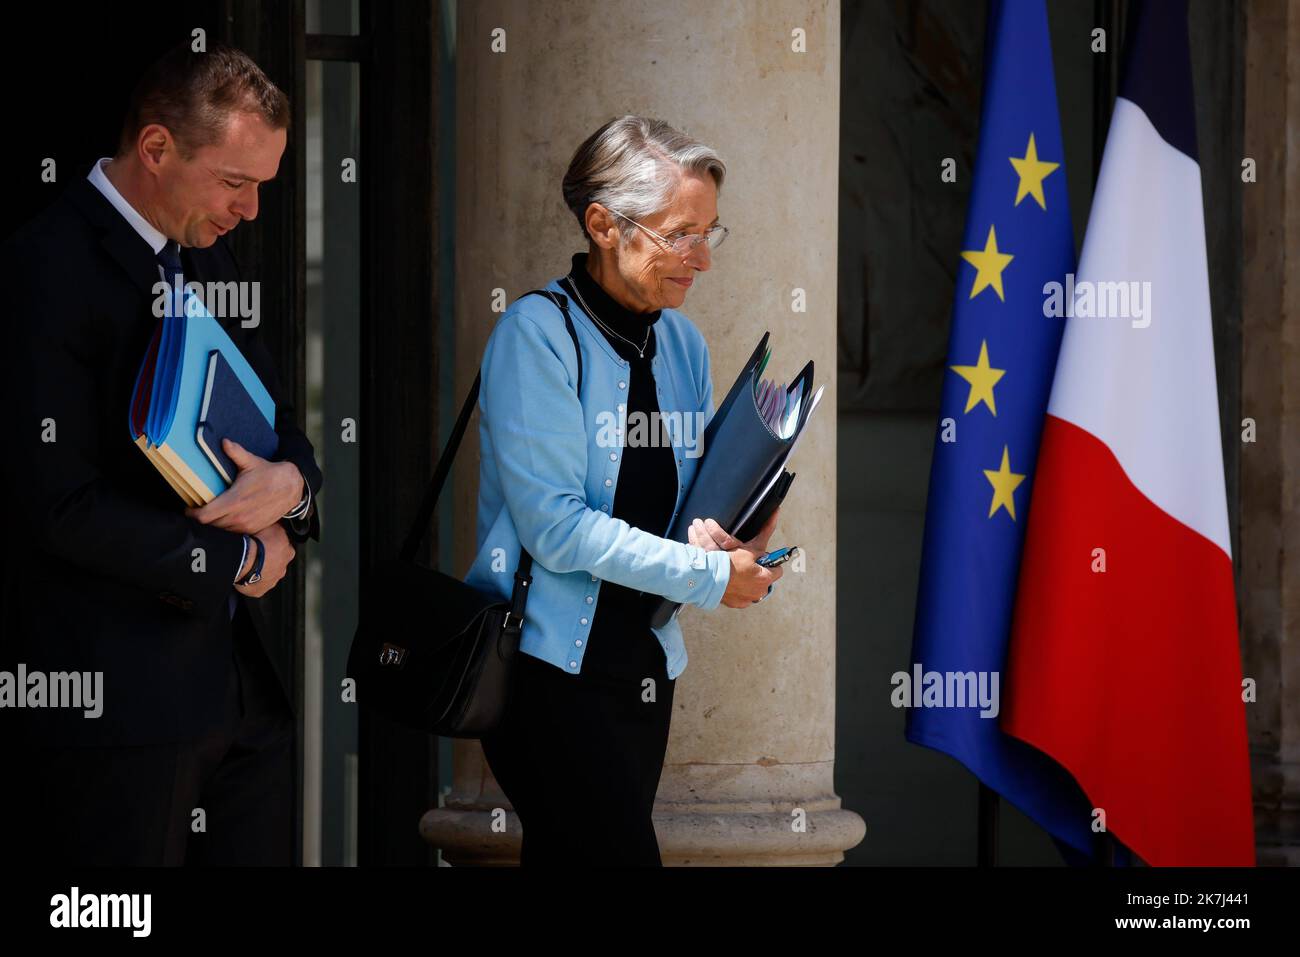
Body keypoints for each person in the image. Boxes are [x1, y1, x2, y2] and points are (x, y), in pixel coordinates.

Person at [0, 41, 321, 866]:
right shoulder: (42, 265)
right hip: (111, 705)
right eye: (235, 182)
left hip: (242, 697)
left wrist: (290, 488)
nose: (250, 211)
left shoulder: (209, 250)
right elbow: (56, 504)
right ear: (155, 148)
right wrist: (239, 559)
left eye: (262, 186)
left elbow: (283, 426)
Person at [470, 115, 782, 866]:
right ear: (603, 224)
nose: (701, 259)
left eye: (711, 233)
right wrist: (708, 576)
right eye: (681, 234)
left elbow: (682, 506)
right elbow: (556, 529)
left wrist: (735, 534)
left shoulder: (682, 343)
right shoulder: (534, 337)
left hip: (644, 670)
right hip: (544, 673)